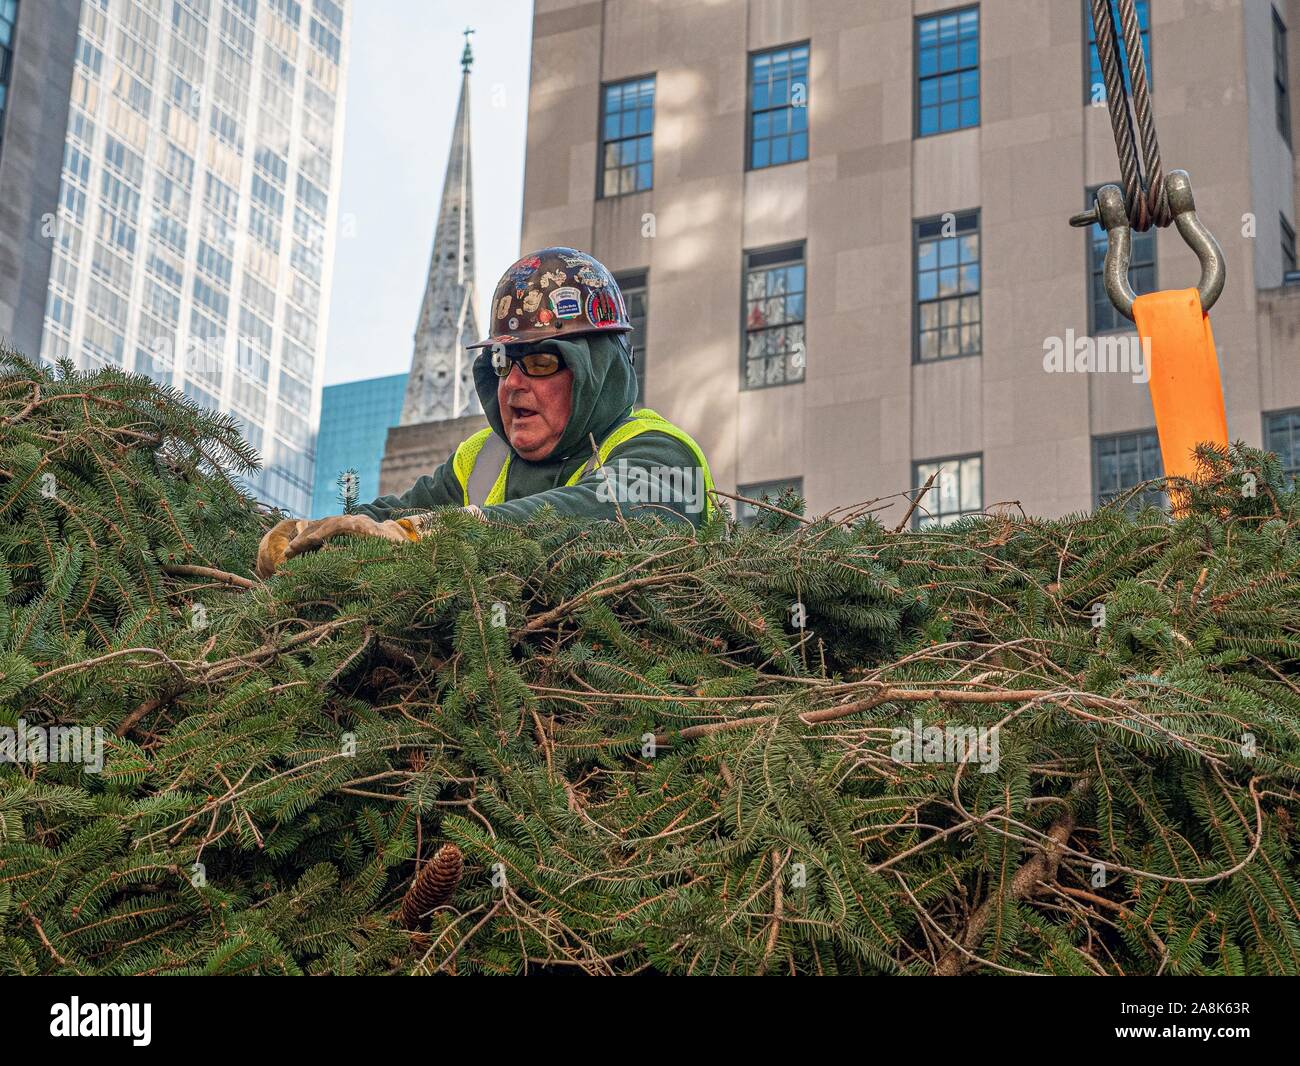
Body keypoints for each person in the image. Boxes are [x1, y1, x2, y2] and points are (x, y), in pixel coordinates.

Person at [256, 248, 715, 578]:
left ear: (597, 369)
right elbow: (389, 516)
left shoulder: (665, 454)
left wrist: (422, 535)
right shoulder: (483, 457)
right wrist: (308, 534)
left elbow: (593, 517)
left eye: (540, 362)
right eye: (502, 363)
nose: (512, 384)